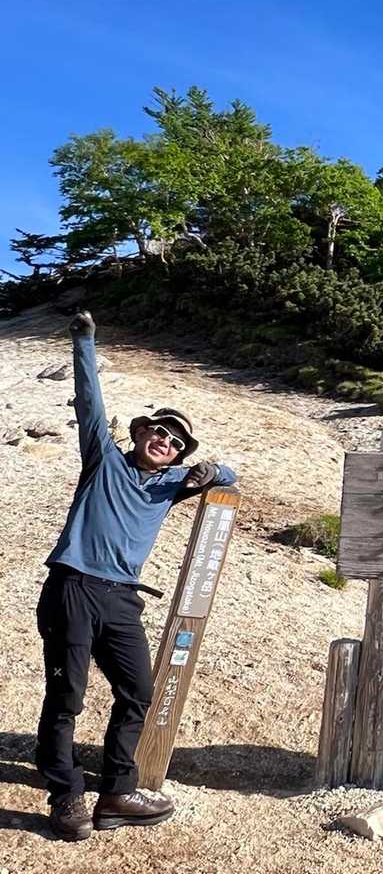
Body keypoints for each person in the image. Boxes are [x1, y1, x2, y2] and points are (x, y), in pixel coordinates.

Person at [37, 310, 238, 842]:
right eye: (159, 431)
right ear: (140, 432)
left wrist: (213, 472)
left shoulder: (171, 484)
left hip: (122, 599)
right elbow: (89, 402)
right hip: (73, 587)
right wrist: (85, 341)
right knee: (67, 696)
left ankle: (117, 792)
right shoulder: (104, 460)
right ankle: (65, 795)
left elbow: (233, 474)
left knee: (138, 691)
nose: (166, 441)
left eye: (176, 442)